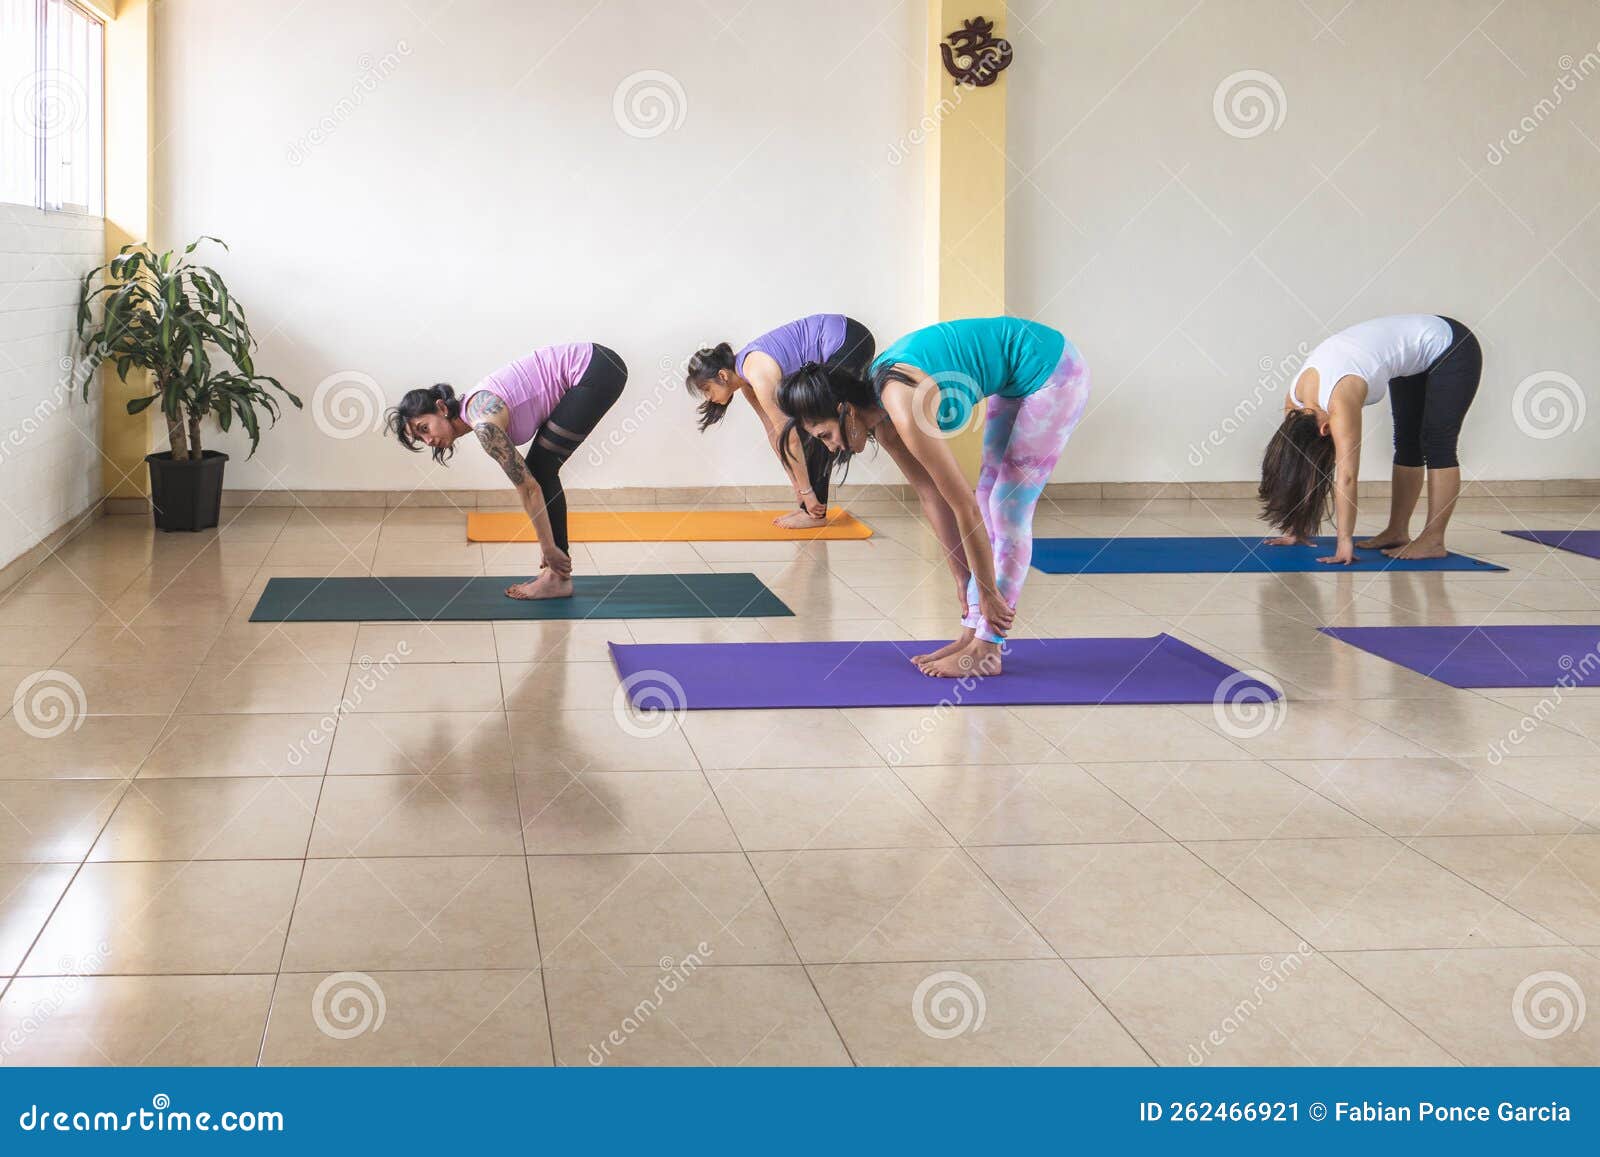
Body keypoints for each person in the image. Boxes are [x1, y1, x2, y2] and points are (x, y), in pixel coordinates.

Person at [777, 316, 1090, 678]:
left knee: (1006, 509)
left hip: (1054, 371)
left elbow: (962, 505)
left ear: (845, 409)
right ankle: (972, 635)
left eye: (826, 434)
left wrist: (987, 592)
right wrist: (962, 582)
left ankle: (988, 649)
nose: (831, 448)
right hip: (1016, 379)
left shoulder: (903, 405)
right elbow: (932, 497)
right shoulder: (884, 419)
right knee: (990, 497)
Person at [387, 342, 626, 599]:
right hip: (594, 367)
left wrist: (548, 547)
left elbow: (529, 488)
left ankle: (557, 576)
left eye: (425, 428)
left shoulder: (484, 426)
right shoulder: (475, 411)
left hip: (596, 369)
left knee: (541, 469)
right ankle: (557, 575)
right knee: (541, 467)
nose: (428, 441)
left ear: (442, 408)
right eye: (420, 439)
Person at [1261, 315, 1481, 563]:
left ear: (1325, 429)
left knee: (1438, 443)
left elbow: (1346, 477)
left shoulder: (1339, 401)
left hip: (1452, 345)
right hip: (1413, 354)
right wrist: (1294, 528)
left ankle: (1434, 540)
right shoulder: (1295, 403)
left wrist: (1345, 543)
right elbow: (1297, 465)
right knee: (1407, 443)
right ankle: (1397, 531)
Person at [685, 315, 875, 528]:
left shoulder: (757, 373)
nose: (708, 398)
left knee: (817, 420)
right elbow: (776, 434)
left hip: (847, 340)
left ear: (722, 375)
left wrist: (807, 491)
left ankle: (815, 513)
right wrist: (797, 486)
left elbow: (791, 438)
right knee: (810, 423)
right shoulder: (748, 383)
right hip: (842, 342)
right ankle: (811, 509)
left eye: (706, 390)